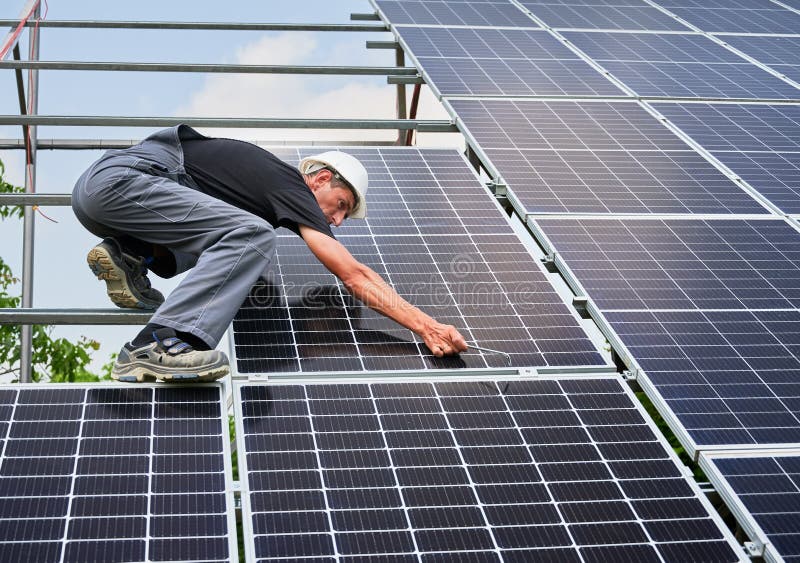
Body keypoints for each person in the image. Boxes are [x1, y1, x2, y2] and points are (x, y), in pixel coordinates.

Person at [71, 125, 468, 382]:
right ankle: (158, 344)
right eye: (342, 203)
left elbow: (318, 346)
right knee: (251, 237)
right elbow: (353, 275)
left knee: (220, 245)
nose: (339, 219)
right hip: (125, 183)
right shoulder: (289, 184)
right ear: (321, 178)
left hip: (103, 196)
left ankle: (130, 255)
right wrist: (426, 326)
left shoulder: (257, 190)